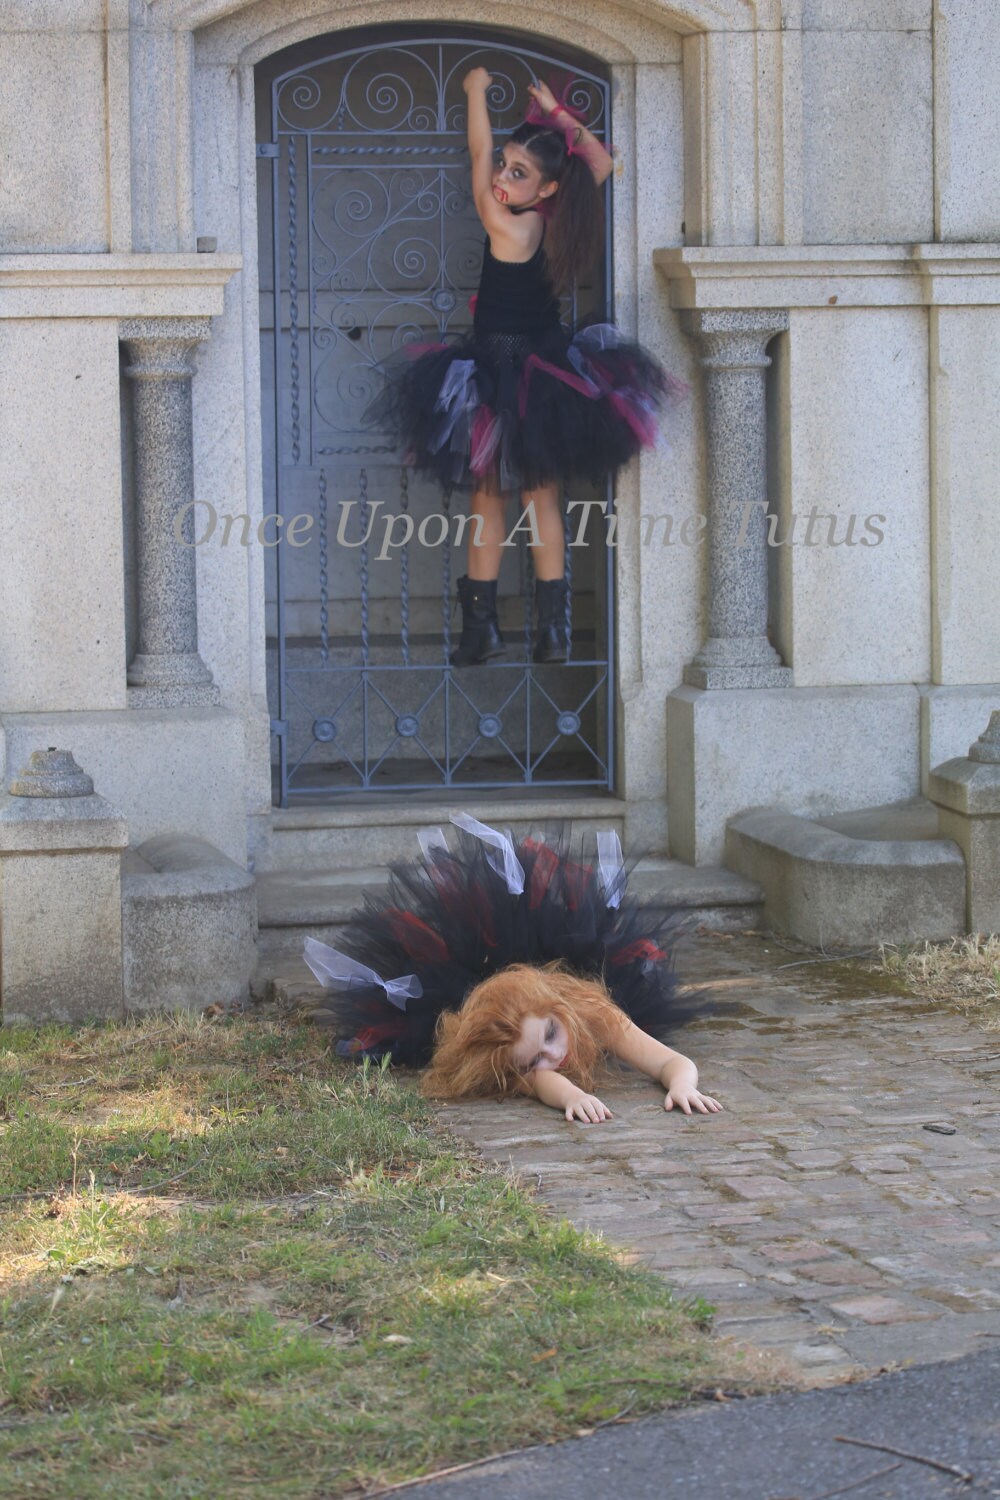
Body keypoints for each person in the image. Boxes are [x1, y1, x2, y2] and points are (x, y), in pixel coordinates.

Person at [364, 71, 687, 667]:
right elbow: (599, 162)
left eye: (518, 172)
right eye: (505, 166)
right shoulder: (558, 215)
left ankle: (482, 631)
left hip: (497, 374)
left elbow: (477, 152)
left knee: (489, 503)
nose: (500, 177)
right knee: (542, 503)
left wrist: (474, 92)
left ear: (546, 186)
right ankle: (551, 633)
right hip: (546, 370)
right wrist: (555, 111)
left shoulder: (503, 222)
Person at [300, 813, 721, 1124]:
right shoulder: (517, 1058)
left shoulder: (595, 1013)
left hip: (546, 967)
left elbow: (671, 1062)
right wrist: (571, 1095)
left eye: (551, 1035)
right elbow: (544, 1081)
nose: (555, 1055)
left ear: (558, 1009)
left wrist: (682, 1085)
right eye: (536, 1058)